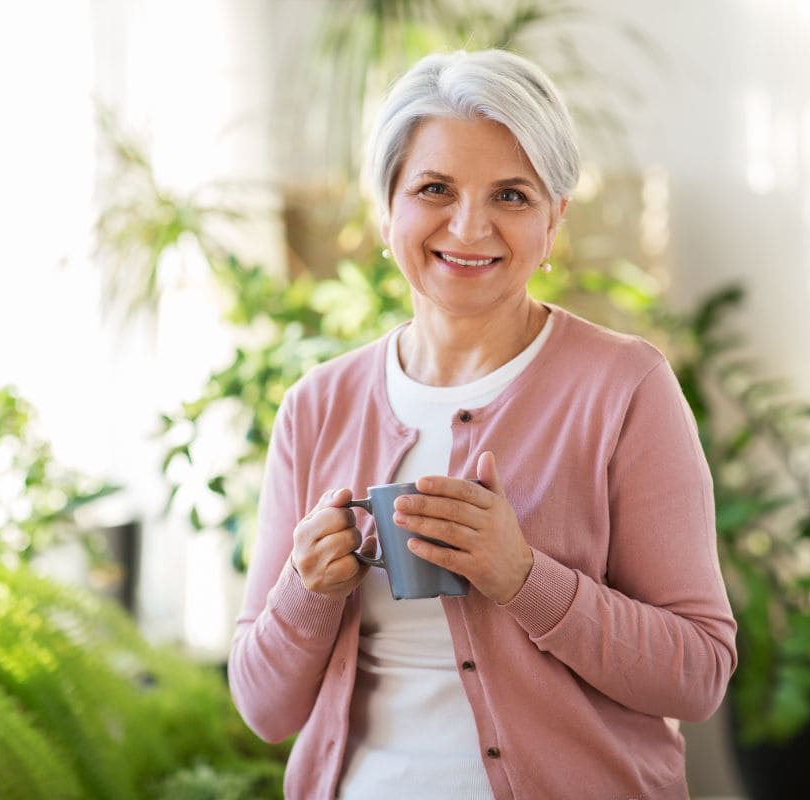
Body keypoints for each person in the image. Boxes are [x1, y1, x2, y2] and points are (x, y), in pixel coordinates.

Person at [228, 49, 736, 800]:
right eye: (435, 188)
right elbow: (263, 710)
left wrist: (524, 579)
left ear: (555, 219)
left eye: (512, 195)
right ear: (386, 206)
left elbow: (697, 677)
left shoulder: (627, 390)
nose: (470, 227)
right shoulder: (316, 406)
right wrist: (304, 591)